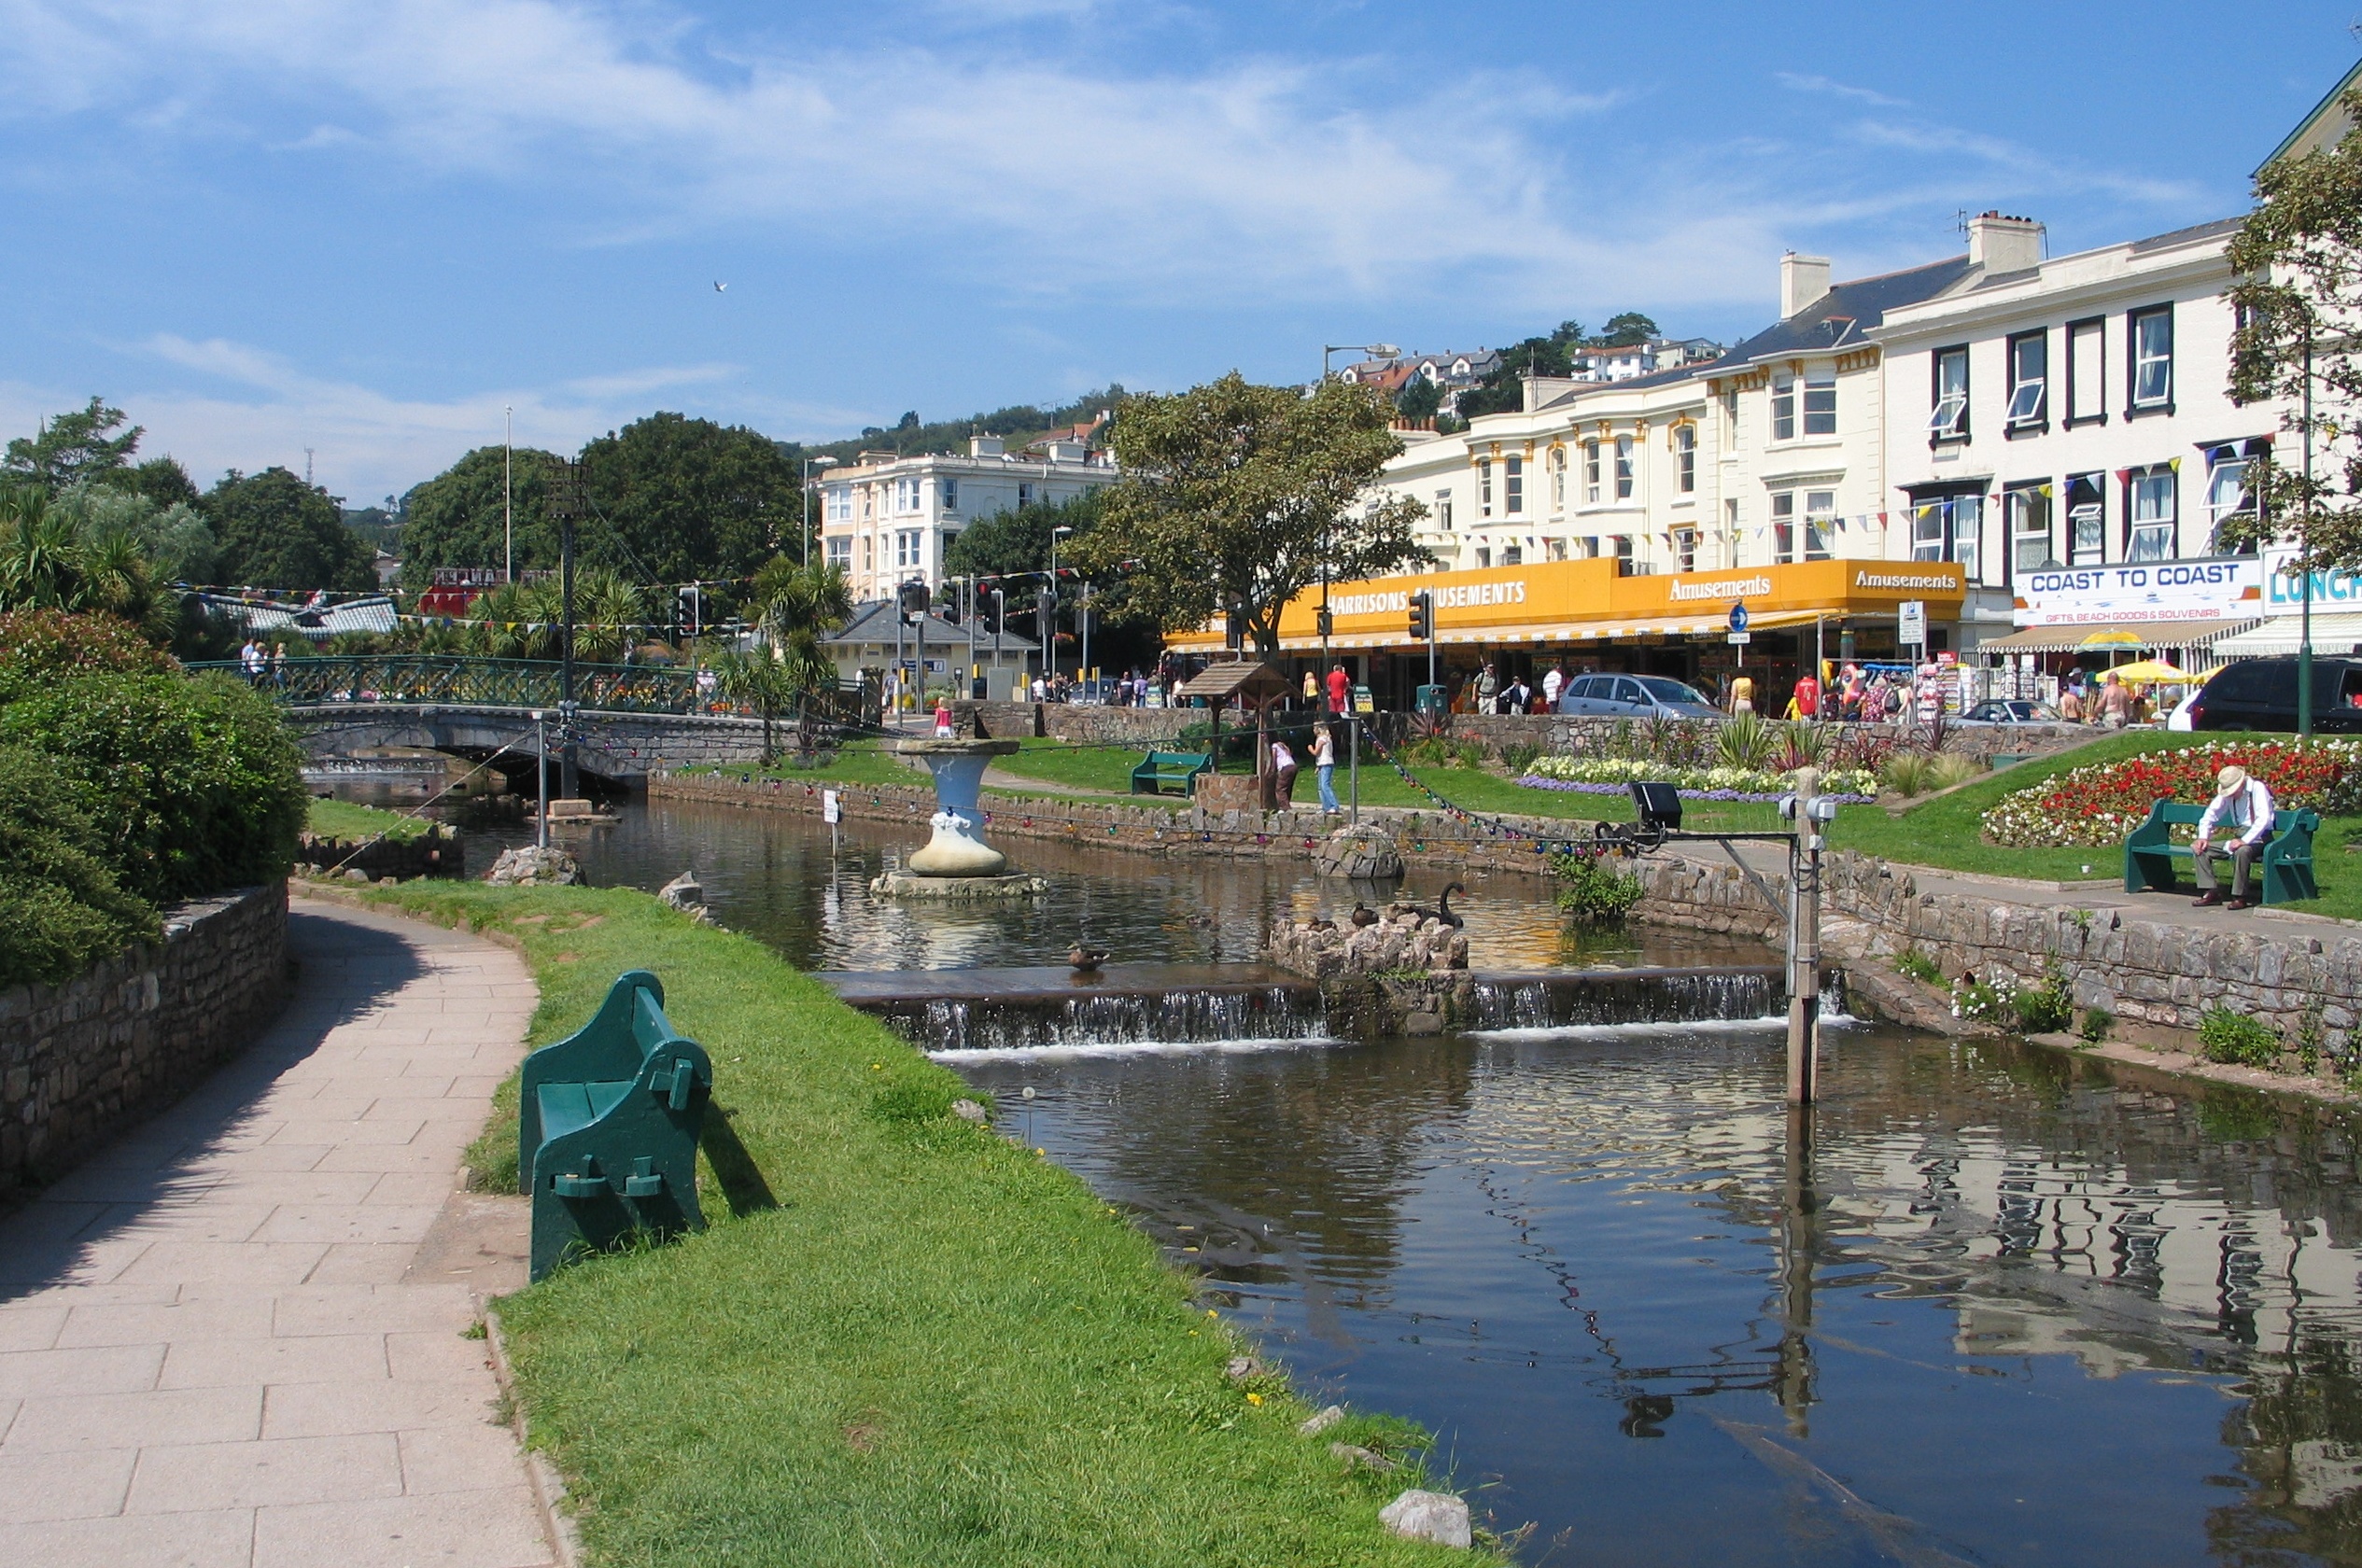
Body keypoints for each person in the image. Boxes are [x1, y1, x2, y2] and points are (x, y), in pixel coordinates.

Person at [2193, 764, 2276, 910]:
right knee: (2201, 850)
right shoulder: (2228, 794)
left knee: (2242, 851)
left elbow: (2263, 819)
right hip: (2239, 835)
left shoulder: (2257, 789)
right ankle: (2210, 891)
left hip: (2260, 837)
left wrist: (2244, 841)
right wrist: (2203, 837)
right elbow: (2211, 814)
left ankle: (2240, 896)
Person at [1312, 722, 1339, 812]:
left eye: (1314, 728)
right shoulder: (1326, 738)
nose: (1313, 730)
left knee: (1325, 786)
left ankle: (1334, 805)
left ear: (1319, 729)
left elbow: (1316, 752)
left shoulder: (1322, 739)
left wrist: (1310, 748)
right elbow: (1321, 754)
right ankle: (1326, 807)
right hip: (1322, 764)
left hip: (1326, 763)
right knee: (1320, 787)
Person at [1269, 736, 1298, 804]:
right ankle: (1287, 804)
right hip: (1293, 766)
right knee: (1288, 788)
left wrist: (1273, 769)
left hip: (1285, 767)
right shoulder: (1283, 746)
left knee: (1280, 789)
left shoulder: (1275, 745)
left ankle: (1285, 807)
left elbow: (1274, 757)